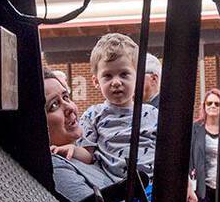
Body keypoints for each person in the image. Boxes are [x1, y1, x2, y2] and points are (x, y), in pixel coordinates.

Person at [42, 68, 149, 202]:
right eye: (54, 105)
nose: (69, 107)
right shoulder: (56, 167)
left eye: (66, 97)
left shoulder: (87, 151)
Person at [60, 33, 158, 182]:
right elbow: (88, 155)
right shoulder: (93, 115)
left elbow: (169, 154)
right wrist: (73, 150)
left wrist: (186, 182)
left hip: (153, 187)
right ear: (96, 81)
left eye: (124, 74)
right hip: (115, 191)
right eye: (108, 75)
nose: (116, 82)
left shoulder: (152, 114)